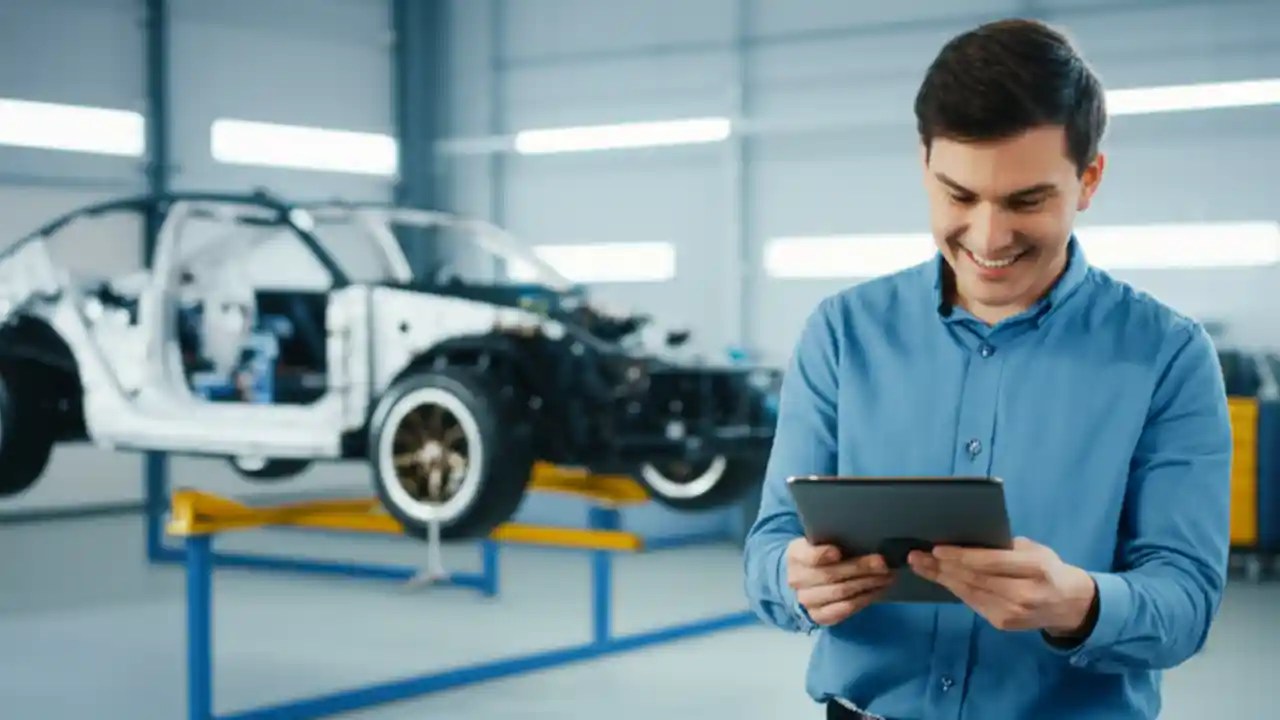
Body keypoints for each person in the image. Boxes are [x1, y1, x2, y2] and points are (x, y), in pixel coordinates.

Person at [742, 17, 1233, 720]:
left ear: (1089, 179)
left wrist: (1079, 604)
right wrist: (795, 580)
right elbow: (770, 546)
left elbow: (1186, 602)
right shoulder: (843, 334)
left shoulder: (1167, 356)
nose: (988, 236)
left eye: (1026, 201)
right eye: (959, 195)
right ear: (924, 165)